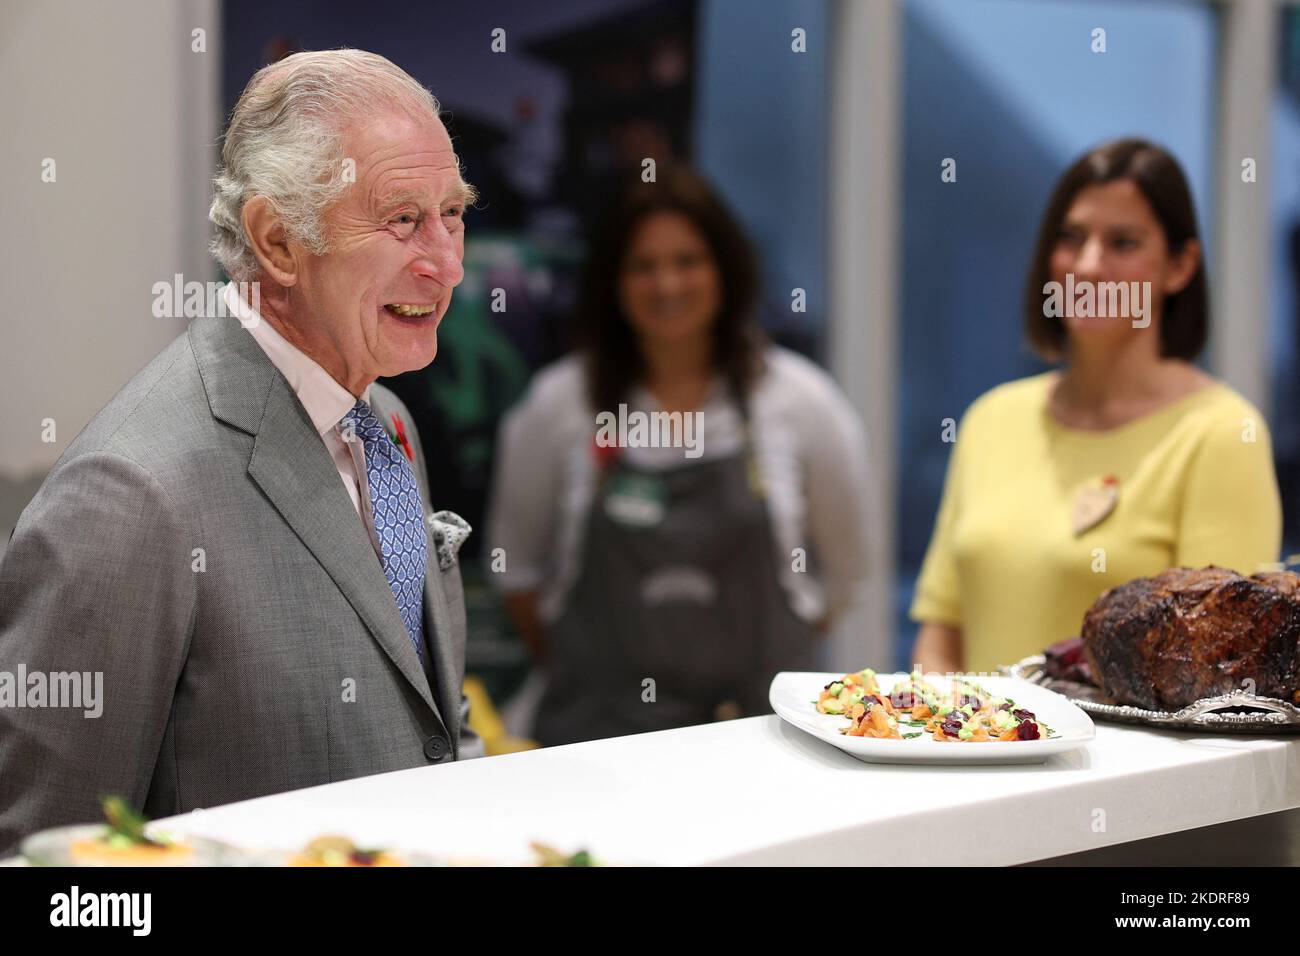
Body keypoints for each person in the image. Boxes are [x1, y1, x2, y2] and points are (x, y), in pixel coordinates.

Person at [0, 49, 481, 854]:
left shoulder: (385, 418)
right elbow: (48, 865)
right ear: (278, 241)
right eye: (403, 218)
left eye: (453, 213)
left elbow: (434, 729)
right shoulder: (129, 496)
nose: (448, 262)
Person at [485, 167, 873, 745]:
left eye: (688, 261)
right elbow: (514, 573)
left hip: (761, 749)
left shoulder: (801, 402)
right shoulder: (559, 404)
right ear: (613, 281)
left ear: (726, 270)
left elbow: (845, 579)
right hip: (595, 753)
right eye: (643, 266)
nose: (667, 284)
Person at [911, 138, 1282, 675]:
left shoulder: (1221, 434)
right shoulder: (992, 419)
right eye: (1071, 237)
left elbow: (1220, 678)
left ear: (1180, 266)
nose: (1087, 266)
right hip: (973, 747)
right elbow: (941, 635)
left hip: (1133, 762)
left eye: (1122, 242)